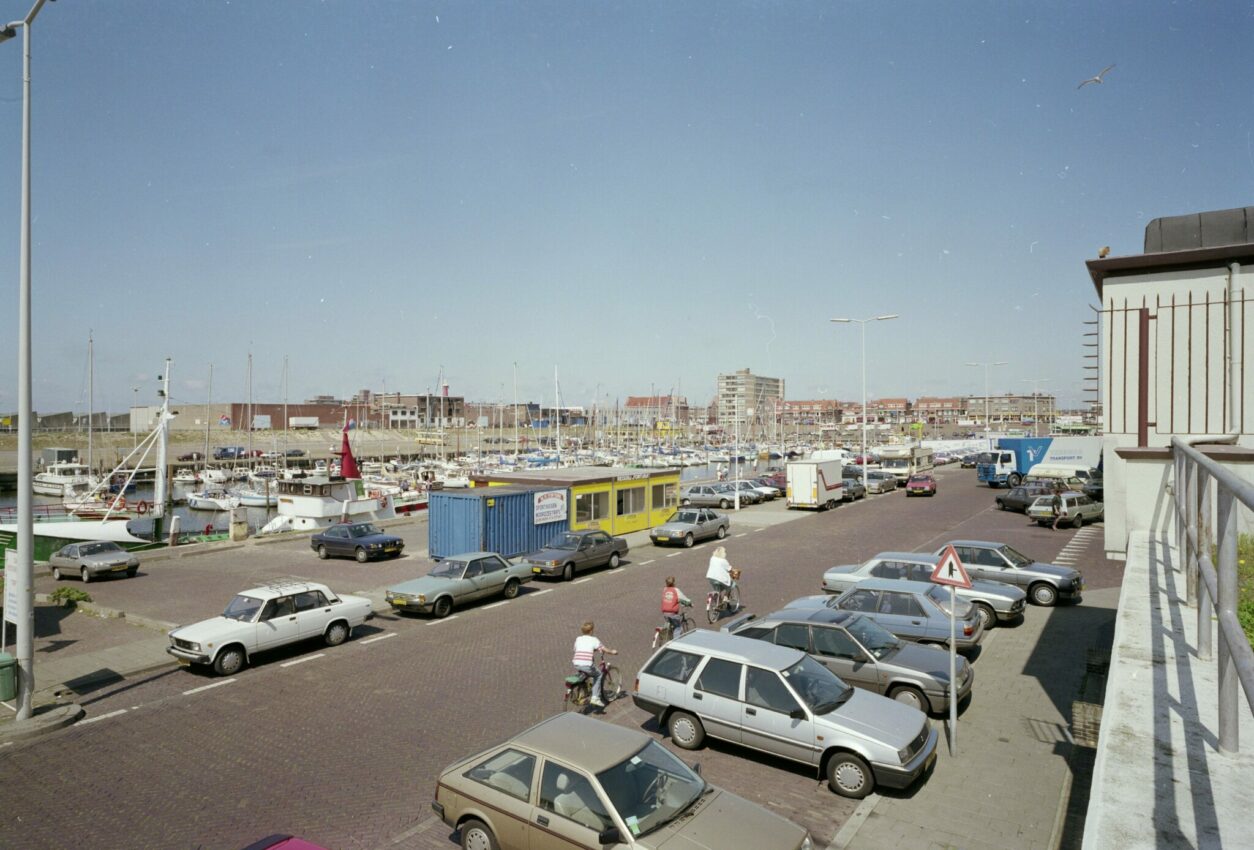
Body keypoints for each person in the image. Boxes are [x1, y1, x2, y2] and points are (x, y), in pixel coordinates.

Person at [571, 621, 617, 707]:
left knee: (586, 674)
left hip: (576, 663)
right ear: (591, 631)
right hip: (586, 665)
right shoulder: (594, 640)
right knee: (598, 675)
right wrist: (612, 652)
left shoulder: (578, 638)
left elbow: (576, 649)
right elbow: (605, 649)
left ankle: (584, 692)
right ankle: (595, 697)